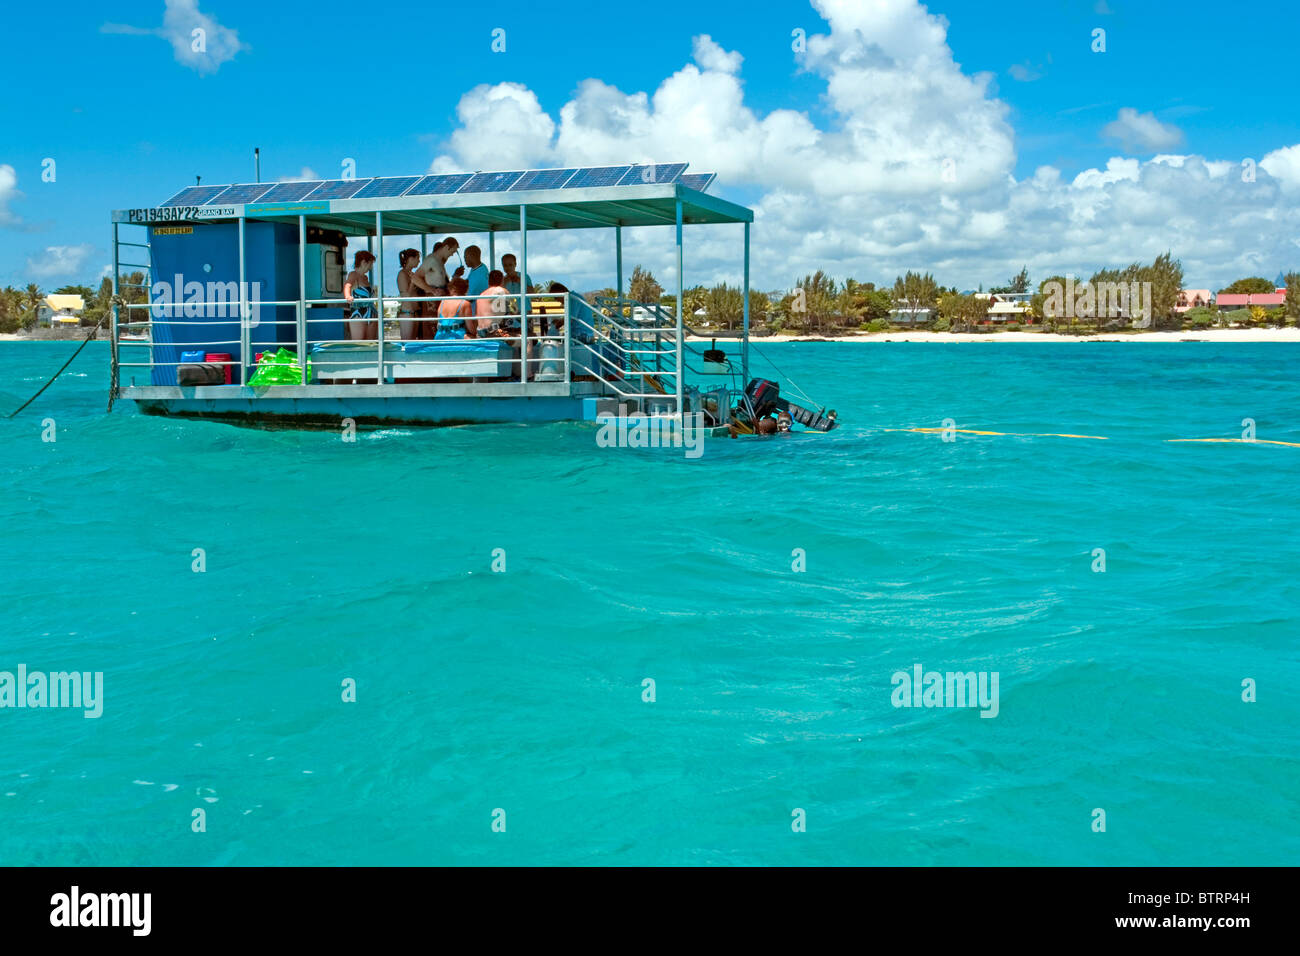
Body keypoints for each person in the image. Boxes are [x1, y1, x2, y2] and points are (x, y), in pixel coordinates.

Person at [417, 237, 462, 337]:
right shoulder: (431, 260)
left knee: (438, 328)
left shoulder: (439, 261)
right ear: (446, 247)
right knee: (431, 329)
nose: (452, 254)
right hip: (431, 302)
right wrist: (432, 290)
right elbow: (416, 277)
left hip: (439, 300)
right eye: (452, 251)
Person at [343, 250, 377, 340]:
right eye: (370, 264)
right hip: (358, 313)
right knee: (359, 344)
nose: (371, 267)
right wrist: (347, 296)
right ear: (363, 262)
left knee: (371, 344)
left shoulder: (366, 277)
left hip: (371, 314)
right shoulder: (353, 274)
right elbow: (347, 285)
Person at [396, 248, 424, 341]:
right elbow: (406, 295)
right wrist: (413, 282)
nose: (419, 261)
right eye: (417, 258)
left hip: (415, 312)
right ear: (411, 259)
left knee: (414, 342)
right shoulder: (402, 274)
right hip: (407, 313)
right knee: (407, 342)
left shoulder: (411, 274)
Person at [475, 269, 510, 335]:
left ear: (489, 281)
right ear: (502, 281)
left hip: (480, 333)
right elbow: (514, 309)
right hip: (493, 333)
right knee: (528, 340)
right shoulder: (501, 290)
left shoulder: (481, 295)